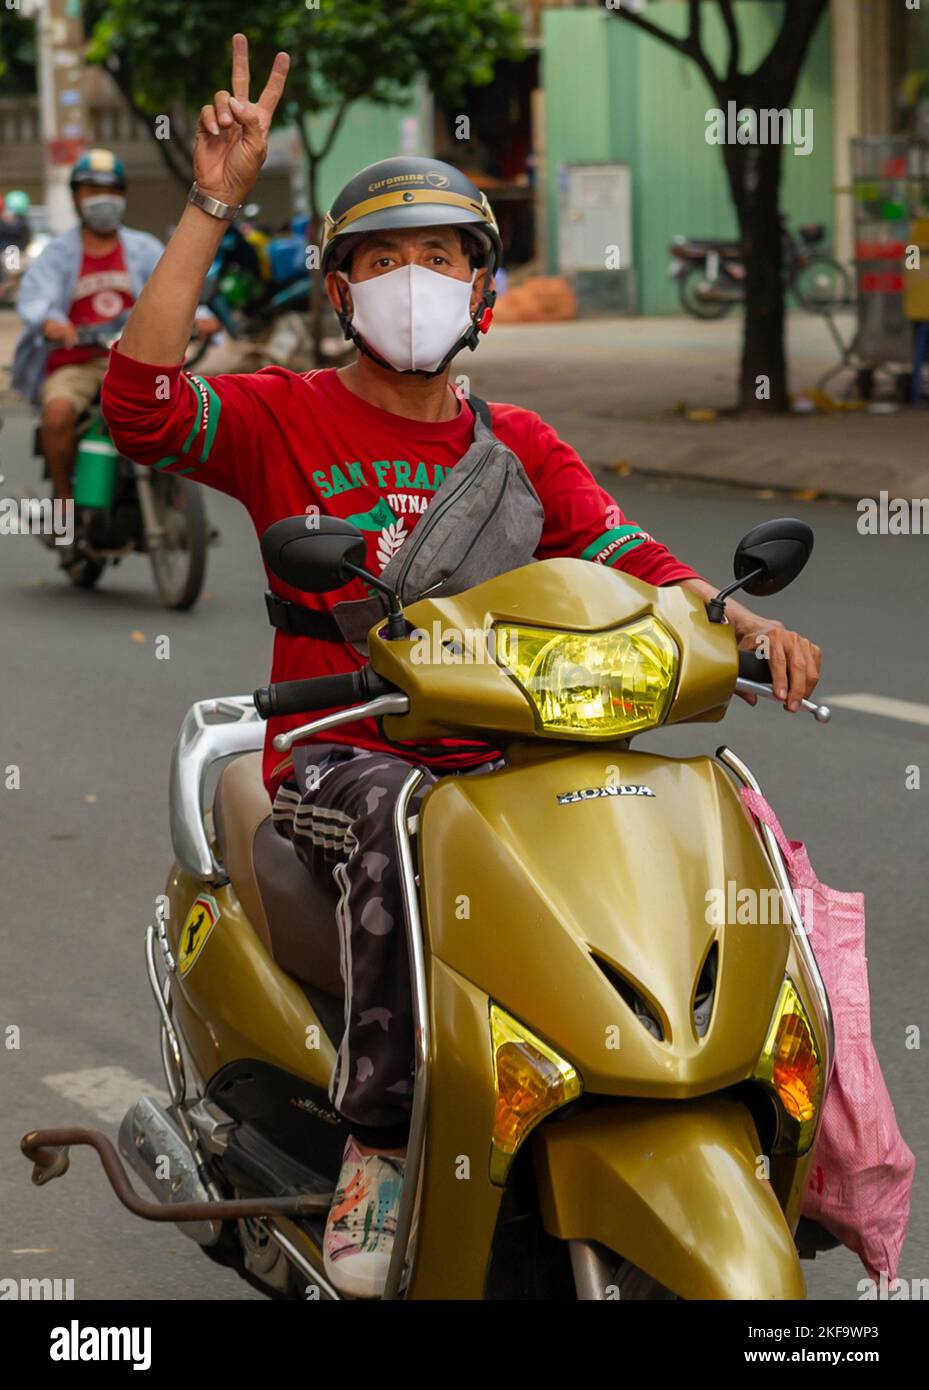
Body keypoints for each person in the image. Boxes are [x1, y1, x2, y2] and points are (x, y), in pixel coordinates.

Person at [100, 35, 822, 1299]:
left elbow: (627, 554)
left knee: (692, 810)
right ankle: (383, 1143)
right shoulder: (284, 417)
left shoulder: (519, 445)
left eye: (440, 257)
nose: (412, 282)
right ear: (341, 292)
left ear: (481, 288)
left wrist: (738, 624)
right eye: (380, 262)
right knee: (407, 816)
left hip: (509, 762)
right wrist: (214, 198)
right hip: (343, 761)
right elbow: (144, 405)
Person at [12, 150, 219, 537]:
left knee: (186, 414)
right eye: (92, 189)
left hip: (139, 361)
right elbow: (35, 300)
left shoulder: (143, 247)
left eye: (110, 190)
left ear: (123, 195)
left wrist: (202, 313)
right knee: (56, 415)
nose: (102, 198)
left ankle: (178, 500)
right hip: (77, 363)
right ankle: (63, 504)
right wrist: (53, 322)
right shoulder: (56, 253)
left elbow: (177, 287)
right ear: (76, 196)